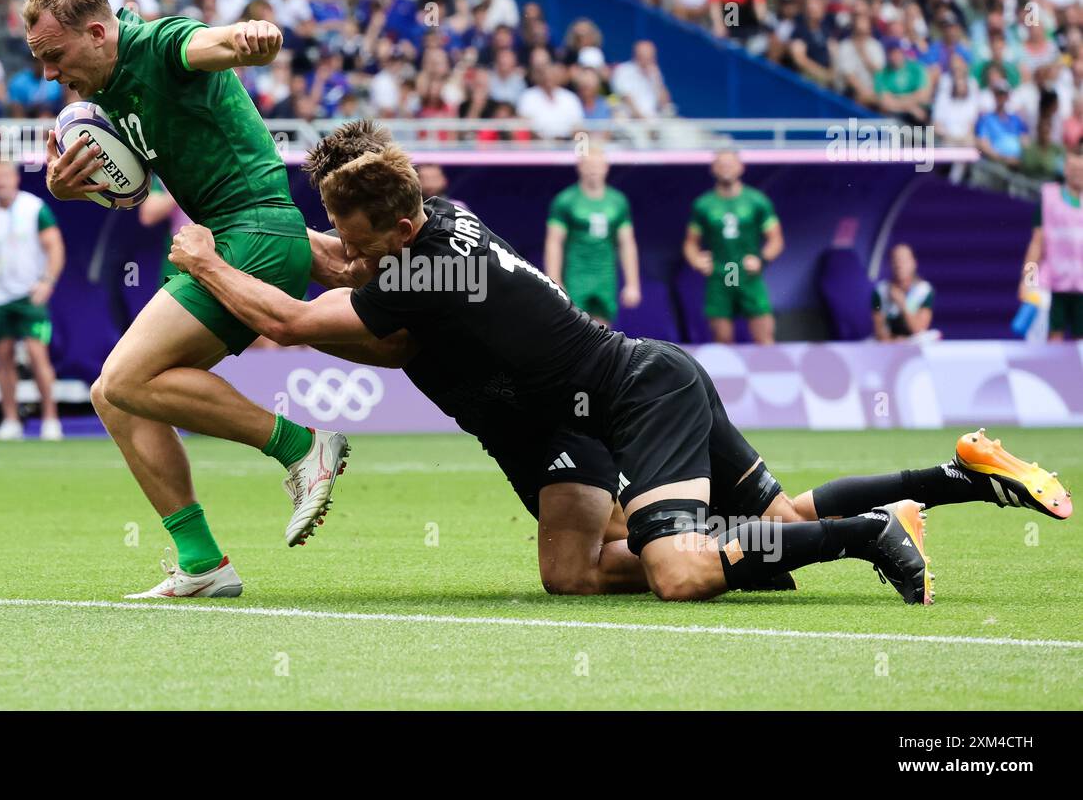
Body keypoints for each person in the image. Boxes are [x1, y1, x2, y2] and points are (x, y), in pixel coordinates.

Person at [168, 130, 1076, 604]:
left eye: (363, 243)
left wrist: (207, 262)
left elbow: (291, 317)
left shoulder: (423, 270)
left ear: (400, 232)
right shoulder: (429, 223)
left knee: (677, 568)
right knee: (724, 532)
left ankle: (870, 533)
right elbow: (337, 267)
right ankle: (960, 478)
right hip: (626, 391)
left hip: (638, 394)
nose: (351, 253)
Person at [27, 0, 347, 600]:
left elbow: (208, 43)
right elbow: (133, 189)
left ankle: (300, 446)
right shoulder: (108, 92)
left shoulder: (156, 44)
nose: (47, 73)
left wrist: (250, 36)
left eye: (53, 55)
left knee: (123, 378)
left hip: (251, 235)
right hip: (240, 238)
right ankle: (201, 560)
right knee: (113, 396)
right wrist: (72, 188)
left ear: (97, 32)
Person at [0, 162, 65, 442]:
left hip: (30, 296)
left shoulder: (35, 208)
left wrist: (47, 282)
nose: (0, 181)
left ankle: (50, 419)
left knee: (36, 354)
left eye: (5, 176)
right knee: (3, 357)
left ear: (15, 178)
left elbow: (55, 246)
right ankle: (10, 420)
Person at [683, 151, 783, 344]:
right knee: (722, 337)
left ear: (741, 167)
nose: (726, 168)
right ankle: (727, 374)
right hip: (721, 274)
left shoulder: (757, 201)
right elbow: (690, 243)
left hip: (748, 275)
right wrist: (696, 260)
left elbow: (776, 240)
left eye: (730, 163)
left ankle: (768, 371)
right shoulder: (704, 204)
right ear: (713, 169)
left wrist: (761, 259)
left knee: (764, 335)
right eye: (721, 164)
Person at [544, 148, 640, 327]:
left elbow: (626, 244)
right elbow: (554, 243)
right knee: (574, 324)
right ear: (579, 167)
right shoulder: (566, 200)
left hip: (605, 274)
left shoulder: (617, 201)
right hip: (576, 273)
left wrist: (632, 283)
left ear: (606, 167)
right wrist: (554, 279)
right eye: (588, 165)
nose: (593, 170)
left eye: (597, 165)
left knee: (604, 330)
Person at [1021, 153, 1083, 340]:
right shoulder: (1049, 199)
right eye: (1074, 169)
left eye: (1081, 170)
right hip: (1052, 286)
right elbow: (1036, 244)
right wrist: (1028, 282)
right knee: (1051, 340)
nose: (1078, 174)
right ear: (1065, 170)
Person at [872, 243, 938, 341]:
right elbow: (879, 331)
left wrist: (902, 304)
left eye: (904, 260)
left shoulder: (923, 291)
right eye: (895, 260)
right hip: (889, 345)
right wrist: (894, 341)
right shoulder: (880, 292)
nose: (899, 265)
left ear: (914, 263)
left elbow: (919, 329)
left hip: (915, 344)